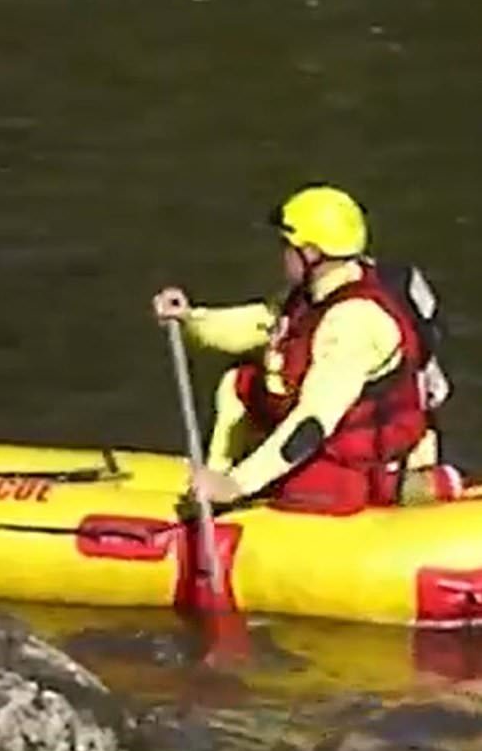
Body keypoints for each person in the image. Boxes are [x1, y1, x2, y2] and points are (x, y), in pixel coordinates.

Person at [152, 184, 460, 515]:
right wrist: (189, 319)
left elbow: (314, 420)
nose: (280, 253)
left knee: (309, 490)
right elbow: (260, 323)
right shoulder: (313, 292)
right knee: (242, 382)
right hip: (331, 438)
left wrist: (239, 484)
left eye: (287, 245)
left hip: (359, 456)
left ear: (310, 253)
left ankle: (405, 486)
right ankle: (216, 483)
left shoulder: (353, 322)